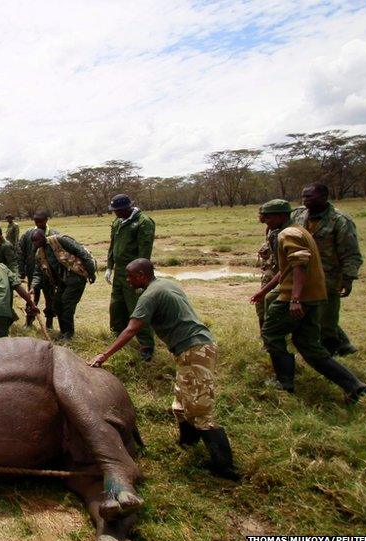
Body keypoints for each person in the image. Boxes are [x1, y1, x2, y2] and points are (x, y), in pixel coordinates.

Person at [90, 259, 238, 480]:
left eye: (130, 276)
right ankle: (188, 444)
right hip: (189, 349)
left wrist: (104, 355)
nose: (128, 281)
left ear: (141, 275)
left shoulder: (149, 295)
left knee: (199, 408)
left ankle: (225, 467)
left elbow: (131, 330)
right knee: (180, 403)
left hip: (195, 350)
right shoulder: (167, 284)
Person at [250, 200, 366, 404]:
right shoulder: (298, 229)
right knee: (308, 345)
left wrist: (295, 299)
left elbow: (299, 266)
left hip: (295, 298)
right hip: (314, 297)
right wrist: (264, 291)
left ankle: (284, 382)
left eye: (268, 217)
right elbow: (286, 268)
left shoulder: (288, 234)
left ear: (281, 216)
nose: (264, 221)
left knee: (271, 334)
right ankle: (355, 386)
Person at [291, 184, 362, 356]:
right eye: (303, 196)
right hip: (301, 274)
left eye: (310, 197)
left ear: (324, 197)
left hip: (328, 277)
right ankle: (343, 345)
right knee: (311, 313)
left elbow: (351, 253)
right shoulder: (298, 215)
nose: (305, 200)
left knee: (327, 317)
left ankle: (329, 353)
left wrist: (348, 278)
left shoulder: (340, 220)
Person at [105, 194, 156, 361]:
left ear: (127, 207)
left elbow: (144, 253)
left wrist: (143, 278)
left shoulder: (143, 222)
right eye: (114, 211)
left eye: (118, 211)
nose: (116, 214)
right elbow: (112, 246)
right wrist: (109, 267)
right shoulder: (117, 223)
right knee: (116, 305)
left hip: (135, 274)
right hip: (119, 272)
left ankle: (146, 345)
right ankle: (118, 338)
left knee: (137, 308)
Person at [31, 228, 96, 338]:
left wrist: (91, 272)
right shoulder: (40, 253)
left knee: (67, 303)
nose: (35, 244)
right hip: (62, 281)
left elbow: (81, 252)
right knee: (57, 304)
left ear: (43, 238)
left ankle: (69, 334)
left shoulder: (59, 240)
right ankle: (63, 332)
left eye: (37, 241)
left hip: (76, 277)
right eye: (33, 241)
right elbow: (38, 272)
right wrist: (33, 286)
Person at [18, 209, 57, 325]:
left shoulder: (54, 235)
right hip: (32, 274)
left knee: (50, 299)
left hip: (49, 275)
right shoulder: (28, 235)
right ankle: (29, 321)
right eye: (36, 222)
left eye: (40, 222)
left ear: (46, 220)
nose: (38, 224)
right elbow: (20, 252)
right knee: (31, 298)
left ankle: (49, 323)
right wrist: (21, 270)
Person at [255, 211, 281, 331]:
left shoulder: (283, 232)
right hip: (268, 275)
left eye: (263, 214)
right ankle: (265, 335)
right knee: (261, 305)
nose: (260, 216)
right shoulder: (270, 230)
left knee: (272, 303)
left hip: (280, 277)